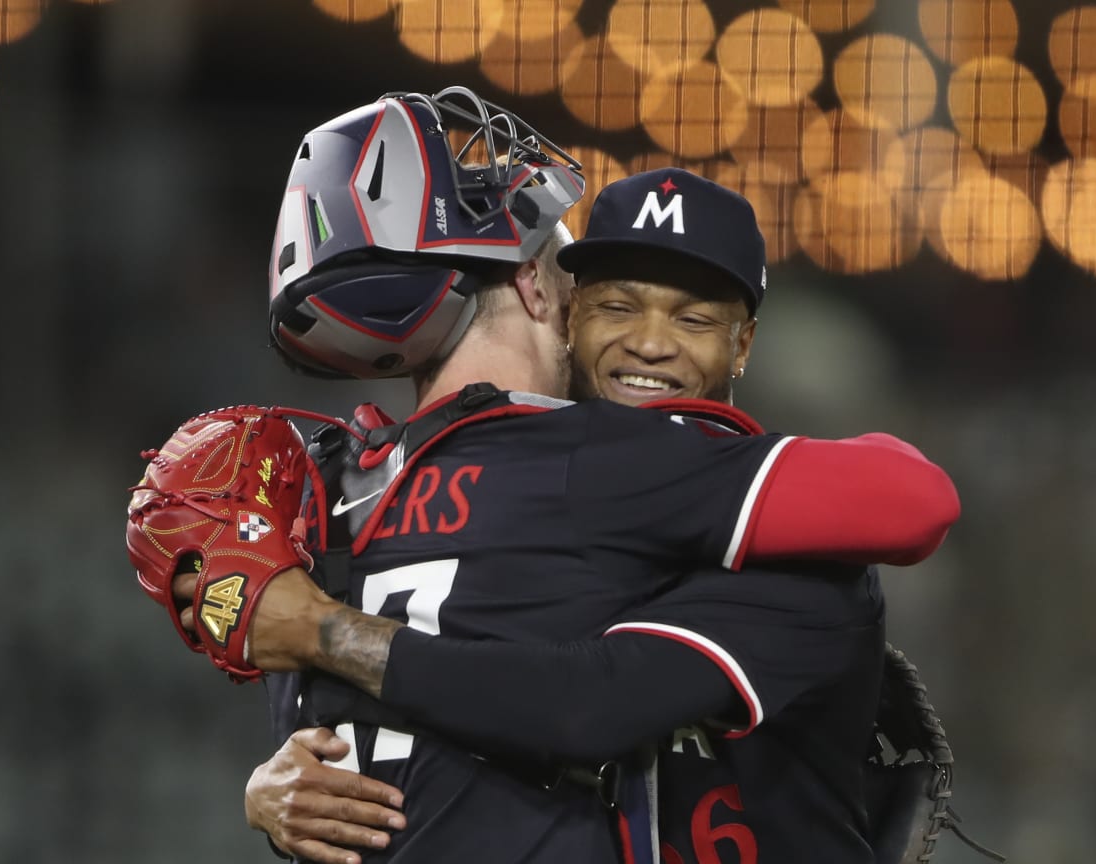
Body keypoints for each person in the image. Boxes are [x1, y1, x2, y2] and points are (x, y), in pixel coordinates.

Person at [153, 89, 957, 864]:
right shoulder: (586, 463)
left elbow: (588, 702)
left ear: (744, 343)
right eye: (615, 305)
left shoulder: (333, 490)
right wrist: (273, 783)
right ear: (557, 299)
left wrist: (322, 637)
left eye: (693, 316)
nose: (648, 345)